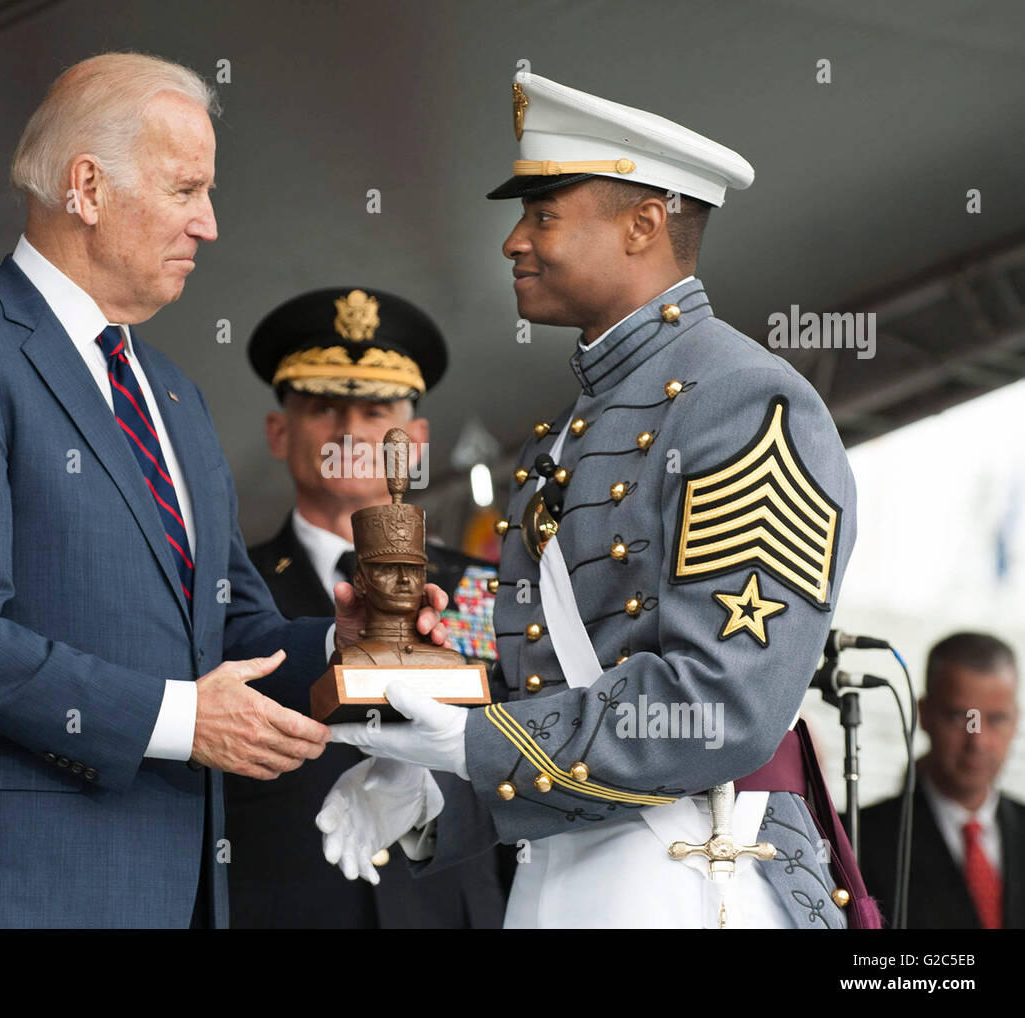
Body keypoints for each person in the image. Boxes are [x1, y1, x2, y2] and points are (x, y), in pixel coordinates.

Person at [0, 53, 447, 928]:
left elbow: (231, 628)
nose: (209, 225)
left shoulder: (173, 391)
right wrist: (179, 721)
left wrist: (339, 642)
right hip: (10, 896)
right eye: (186, 190)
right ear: (86, 187)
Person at [316, 71, 877, 929]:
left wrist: (474, 745)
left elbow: (719, 707)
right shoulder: (573, 427)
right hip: (571, 881)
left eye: (543, 215)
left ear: (645, 223)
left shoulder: (747, 402)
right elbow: (558, 690)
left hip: (692, 879)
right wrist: (440, 790)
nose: (512, 242)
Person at [225, 288, 507, 927]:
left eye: (378, 410)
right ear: (278, 431)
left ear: (417, 439)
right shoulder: (226, 588)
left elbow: (525, 753)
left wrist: (425, 809)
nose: (351, 431)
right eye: (325, 408)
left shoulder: (481, 590)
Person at [860, 632, 1023, 928]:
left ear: (1016, 720)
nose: (978, 741)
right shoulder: (858, 839)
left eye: (996, 719)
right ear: (924, 714)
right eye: (959, 717)